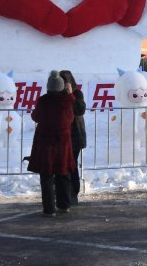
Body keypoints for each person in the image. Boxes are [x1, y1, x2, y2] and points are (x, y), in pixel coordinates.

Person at [27, 70, 75, 217]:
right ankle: (64, 205)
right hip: (63, 143)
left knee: (47, 176)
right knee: (63, 173)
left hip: (45, 143)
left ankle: (49, 209)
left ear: (48, 86)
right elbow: (71, 119)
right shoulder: (68, 101)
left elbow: (36, 116)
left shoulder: (43, 100)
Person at [59, 70, 86, 205]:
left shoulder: (77, 94)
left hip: (75, 137)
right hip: (60, 137)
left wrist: (70, 95)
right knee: (61, 165)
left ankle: (73, 192)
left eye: (65, 82)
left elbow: (80, 110)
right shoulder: (57, 95)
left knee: (72, 164)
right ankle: (62, 193)